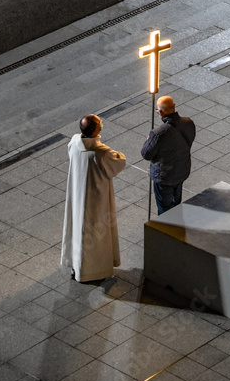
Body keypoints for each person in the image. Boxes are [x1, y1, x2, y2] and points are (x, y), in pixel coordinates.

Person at [60, 114, 126, 282]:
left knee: (78, 231)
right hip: (96, 200)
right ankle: (93, 272)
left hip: (77, 196)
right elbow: (119, 162)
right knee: (94, 235)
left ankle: (77, 267)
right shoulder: (101, 152)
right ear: (97, 129)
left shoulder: (74, 143)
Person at [141, 96, 195, 214]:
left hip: (164, 176)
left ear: (160, 112)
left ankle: (167, 228)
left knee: (164, 209)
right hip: (181, 171)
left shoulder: (159, 133)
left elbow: (146, 154)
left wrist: (149, 139)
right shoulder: (188, 123)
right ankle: (177, 224)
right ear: (174, 106)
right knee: (176, 204)